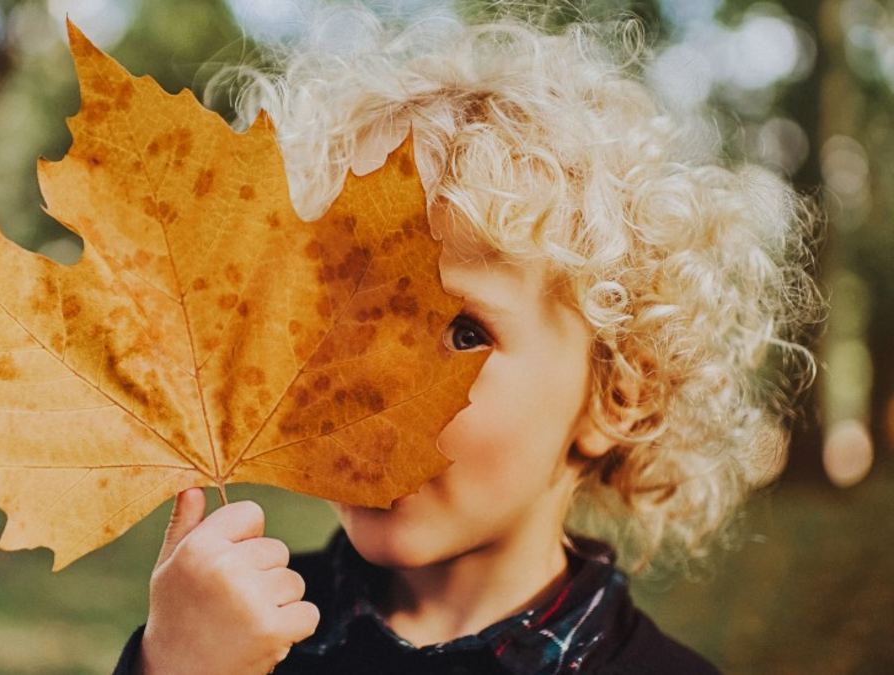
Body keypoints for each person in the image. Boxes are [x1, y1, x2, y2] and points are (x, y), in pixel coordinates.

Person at [111, 4, 820, 674]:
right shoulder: (240, 632)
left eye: (462, 331)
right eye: (337, 316)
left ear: (619, 393)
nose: (367, 376)